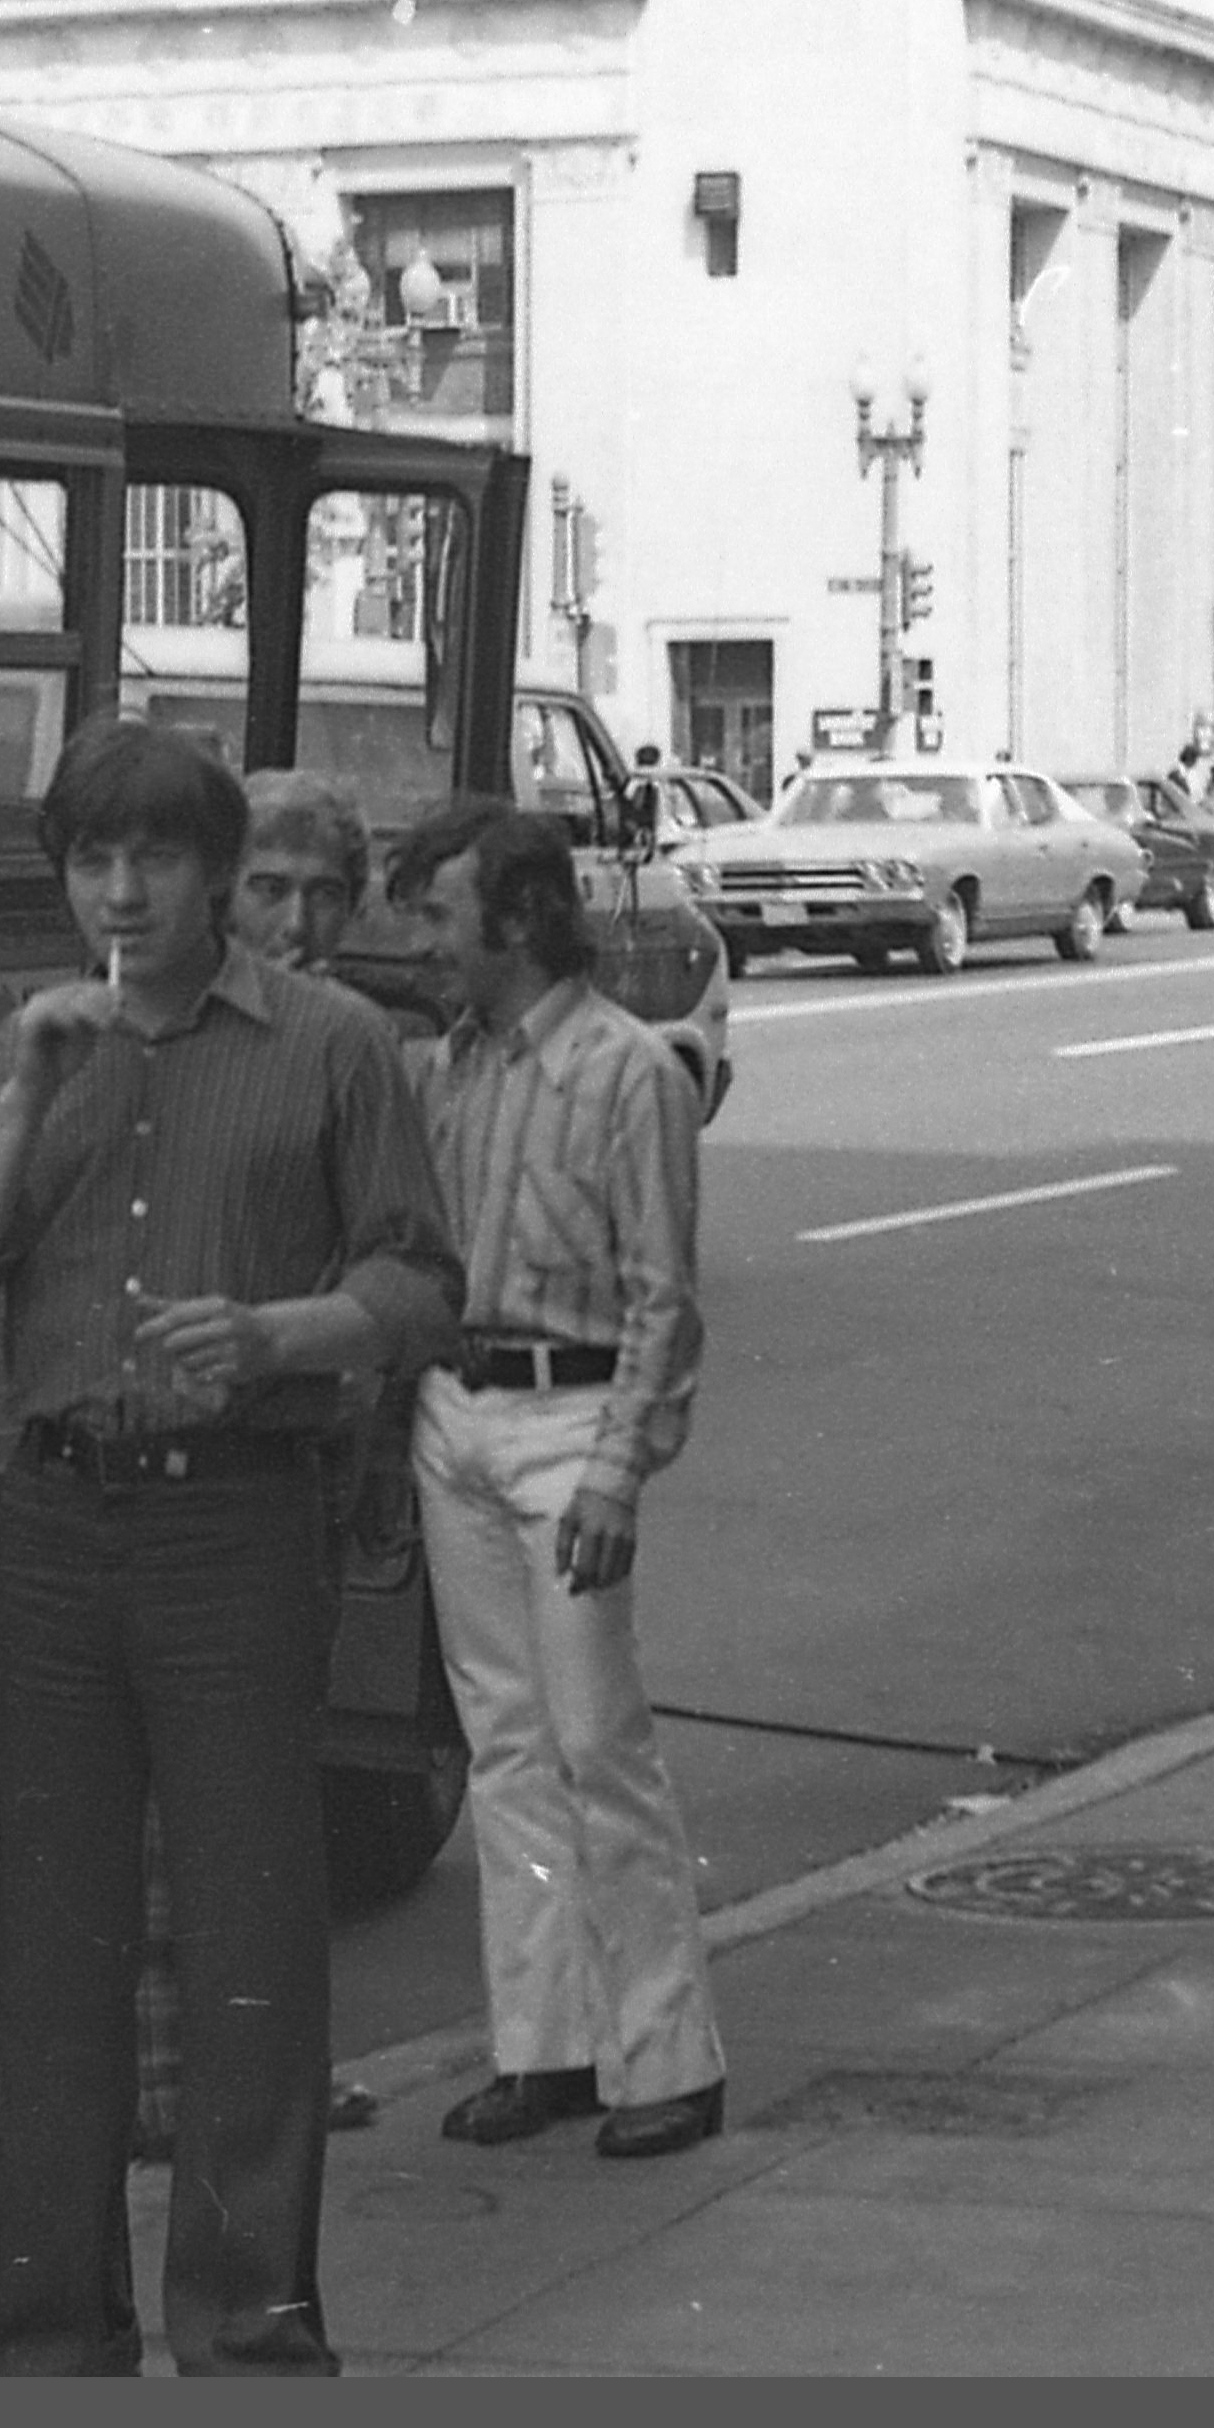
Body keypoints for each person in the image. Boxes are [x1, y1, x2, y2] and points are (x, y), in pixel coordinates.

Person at [0, 718, 460, 2375]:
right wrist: (31, 1085)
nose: (123, 894)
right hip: (60, 1519)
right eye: (92, 861)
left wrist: (278, 1335)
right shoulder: (27, 1042)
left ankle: (249, 2339)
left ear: (220, 877)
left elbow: (422, 1280)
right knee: (56, 1949)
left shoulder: (334, 1044)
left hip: (237, 1521)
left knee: (251, 1944)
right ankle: (51, 2344)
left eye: (155, 861)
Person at [391, 797, 729, 2160]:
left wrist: (616, 1475)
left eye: (437, 914)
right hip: (458, 1411)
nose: (417, 940)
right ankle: (548, 2048)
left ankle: (668, 2061)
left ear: (521, 920)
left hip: (569, 1420)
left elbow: (663, 1297)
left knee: (598, 1744)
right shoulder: (456, 1065)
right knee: (507, 1750)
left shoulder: (628, 1071)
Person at [121, 768, 384, 2167]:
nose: (303, 919)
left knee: (272, 1783)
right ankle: (174, 2081)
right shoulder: (180, 1035)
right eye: (273, 890)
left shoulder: (346, 1046)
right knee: (184, 1795)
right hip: (192, 1462)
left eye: (327, 893)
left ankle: (261, 2070)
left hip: (307, 1456)